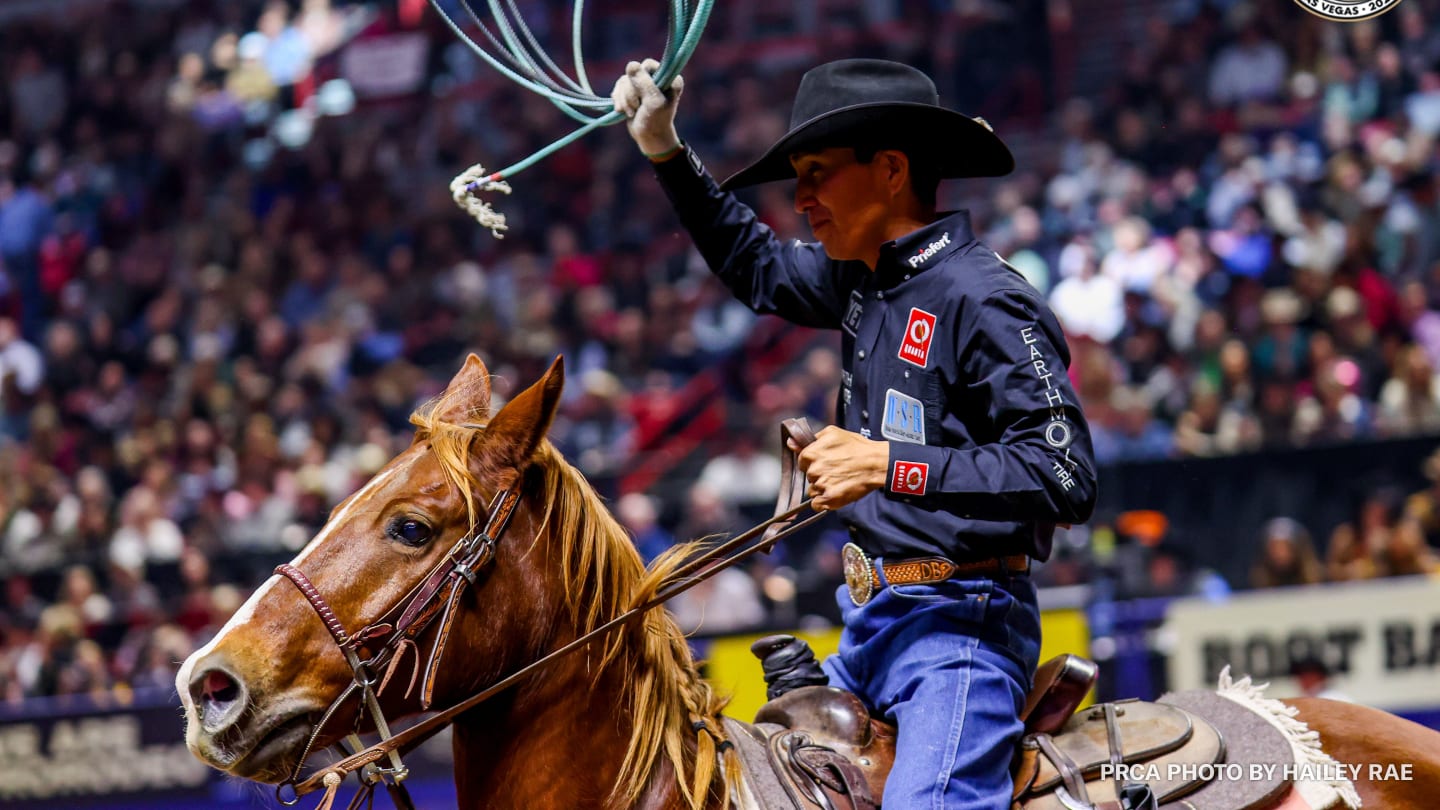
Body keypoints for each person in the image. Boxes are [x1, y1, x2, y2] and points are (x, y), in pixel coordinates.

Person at [613, 58, 1098, 808]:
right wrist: (666, 153)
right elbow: (756, 267)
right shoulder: (861, 275)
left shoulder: (987, 298)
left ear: (892, 169)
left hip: (963, 635)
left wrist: (887, 464)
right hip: (868, 629)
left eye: (816, 173)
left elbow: (1065, 475)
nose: (800, 199)